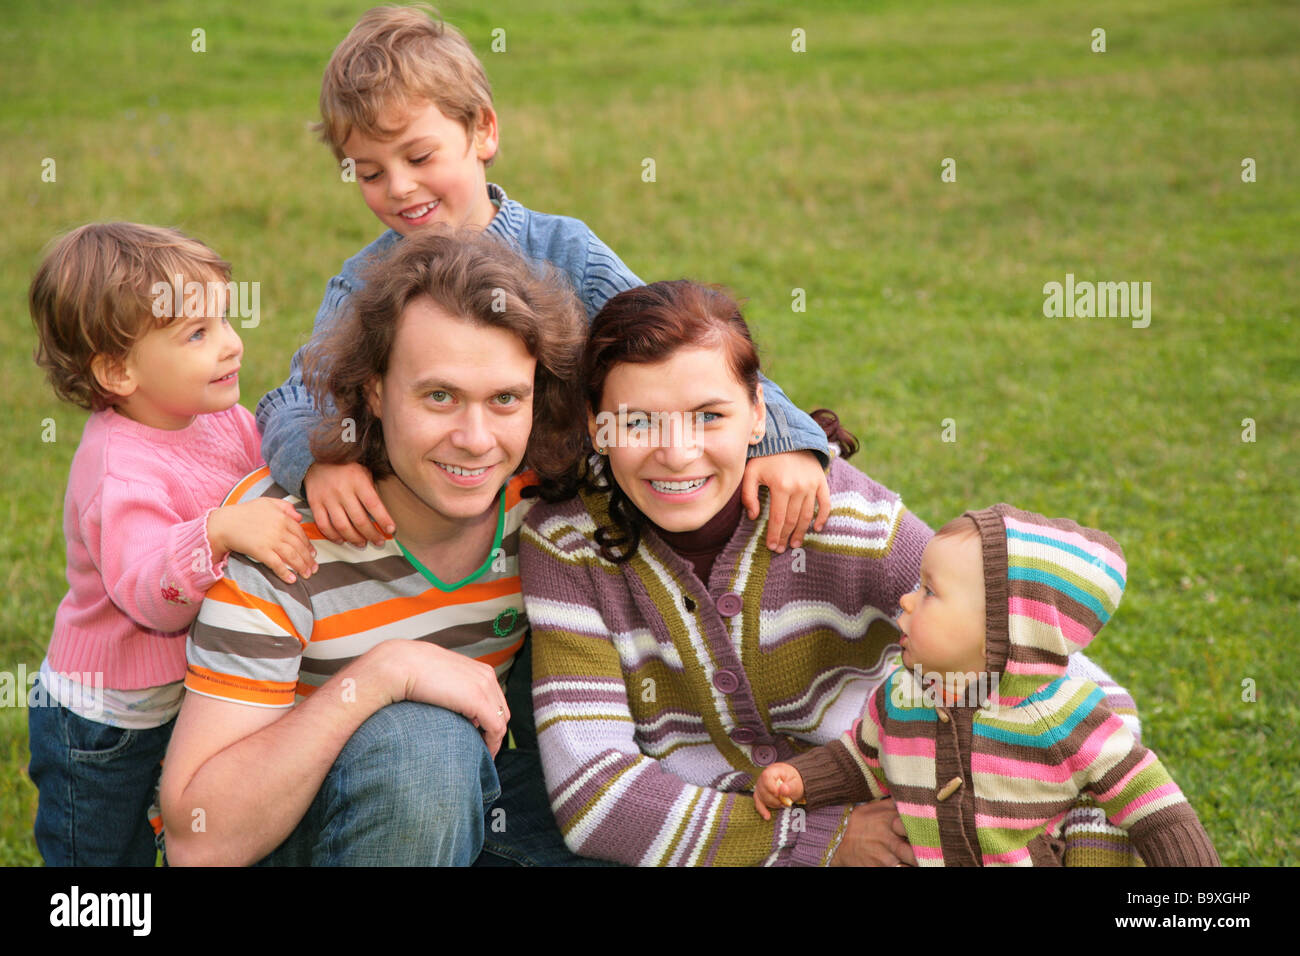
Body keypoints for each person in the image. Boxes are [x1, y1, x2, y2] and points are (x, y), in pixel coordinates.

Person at [256, 3, 831, 558]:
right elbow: (293, 399)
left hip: (580, 533)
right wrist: (316, 462)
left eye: (420, 157)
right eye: (371, 172)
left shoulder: (565, 251)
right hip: (440, 544)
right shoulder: (364, 282)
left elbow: (689, 349)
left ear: (483, 132)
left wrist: (786, 440)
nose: (400, 187)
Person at [160, 228, 597, 866]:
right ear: (373, 391)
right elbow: (200, 842)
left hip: (470, 814)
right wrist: (383, 675)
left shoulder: (545, 509)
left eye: (505, 399)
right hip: (287, 832)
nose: (476, 440)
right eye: (439, 396)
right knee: (424, 746)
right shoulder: (281, 538)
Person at [519, 280, 936, 865]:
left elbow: (1021, 653)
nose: (678, 453)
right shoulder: (567, 543)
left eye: (709, 416)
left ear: (759, 411)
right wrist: (822, 840)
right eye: (637, 422)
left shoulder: (841, 512)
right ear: (596, 426)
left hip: (896, 817)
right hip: (715, 847)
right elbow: (595, 799)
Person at [26, 222, 316, 865]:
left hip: (185, 696)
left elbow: (267, 482)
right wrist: (216, 530)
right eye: (198, 334)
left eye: (224, 322)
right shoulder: (119, 470)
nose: (231, 346)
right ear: (118, 369)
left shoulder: (216, 418)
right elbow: (148, 594)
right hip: (101, 724)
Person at [754, 506, 1220, 866]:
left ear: (1003, 630)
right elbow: (862, 757)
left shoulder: (1066, 718)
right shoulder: (902, 696)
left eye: (930, 592)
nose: (906, 599)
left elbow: (1157, 811)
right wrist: (802, 779)